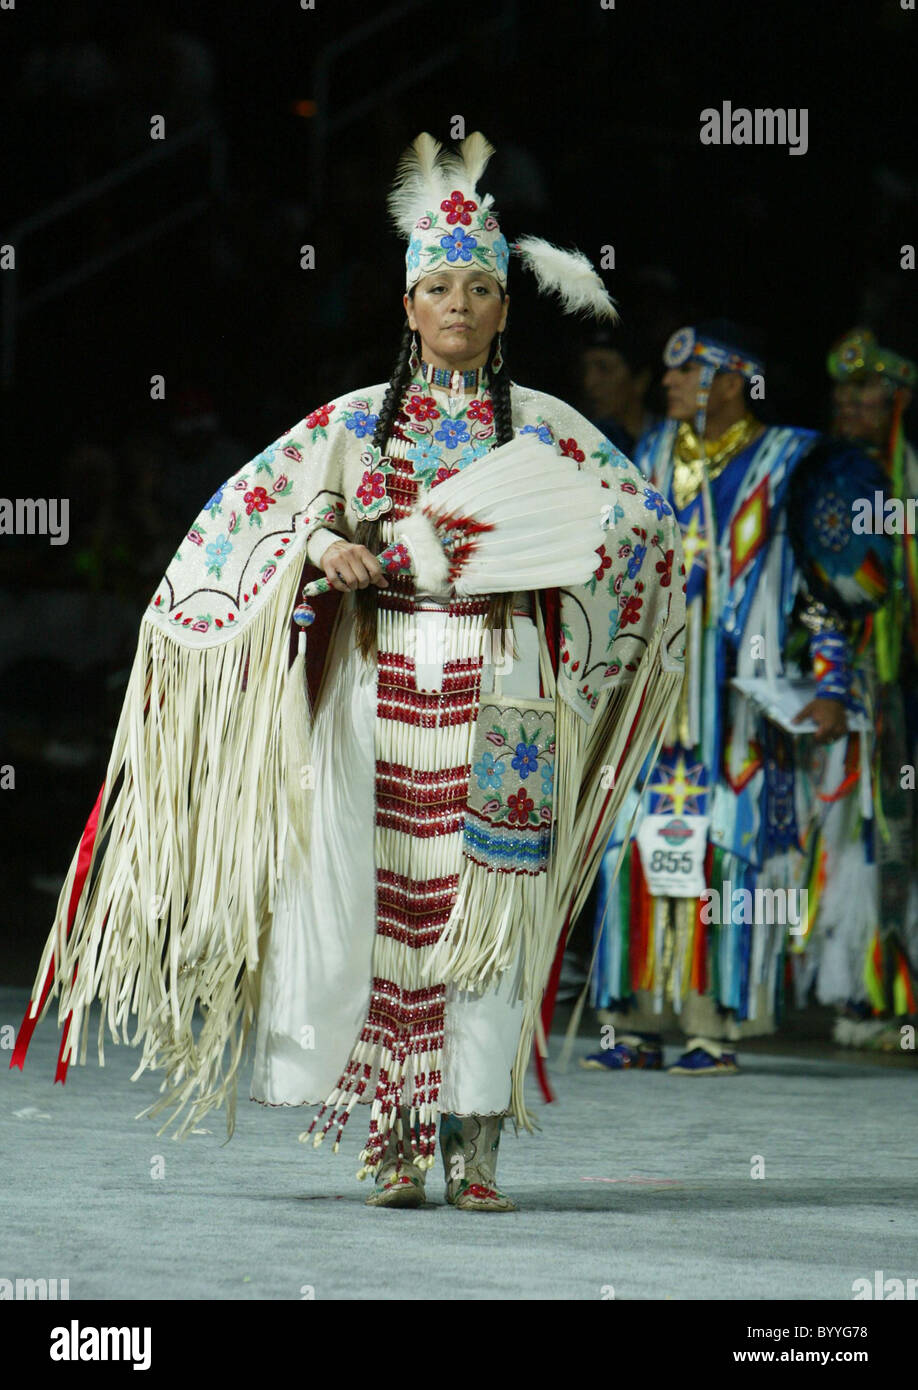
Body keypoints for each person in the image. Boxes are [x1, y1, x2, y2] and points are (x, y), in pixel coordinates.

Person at [12, 131, 685, 1211]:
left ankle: (477, 1139)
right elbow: (239, 534)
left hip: (503, 689)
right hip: (374, 684)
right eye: (438, 289)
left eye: (478, 288)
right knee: (376, 903)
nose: (458, 306)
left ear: (506, 308)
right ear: (408, 306)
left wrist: (560, 579)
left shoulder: (554, 436)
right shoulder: (348, 427)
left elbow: (645, 542)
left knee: (489, 913)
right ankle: (392, 1132)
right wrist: (321, 546)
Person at [581, 321, 892, 1075]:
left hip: (743, 704)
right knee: (632, 843)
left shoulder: (789, 462)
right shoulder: (648, 456)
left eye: (684, 373)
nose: (668, 384)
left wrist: (829, 685)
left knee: (730, 847)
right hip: (653, 695)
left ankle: (709, 1019)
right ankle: (631, 1020)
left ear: (729, 382)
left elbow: (827, 591)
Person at [794, 329, 918, 1045]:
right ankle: (863, 991)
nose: (850, 402)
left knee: (888, 833)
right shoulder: (823, 475)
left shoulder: (901, 479)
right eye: (842, 391)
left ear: (895, 398)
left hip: (892, 682)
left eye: (866, 390)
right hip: (839, 679)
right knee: (852, 829)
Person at [579, 324, 658, 457]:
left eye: (604, 368)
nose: (589, 382)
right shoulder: (582, 441)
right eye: (585, 370)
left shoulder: (670, 440)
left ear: (640, 380)